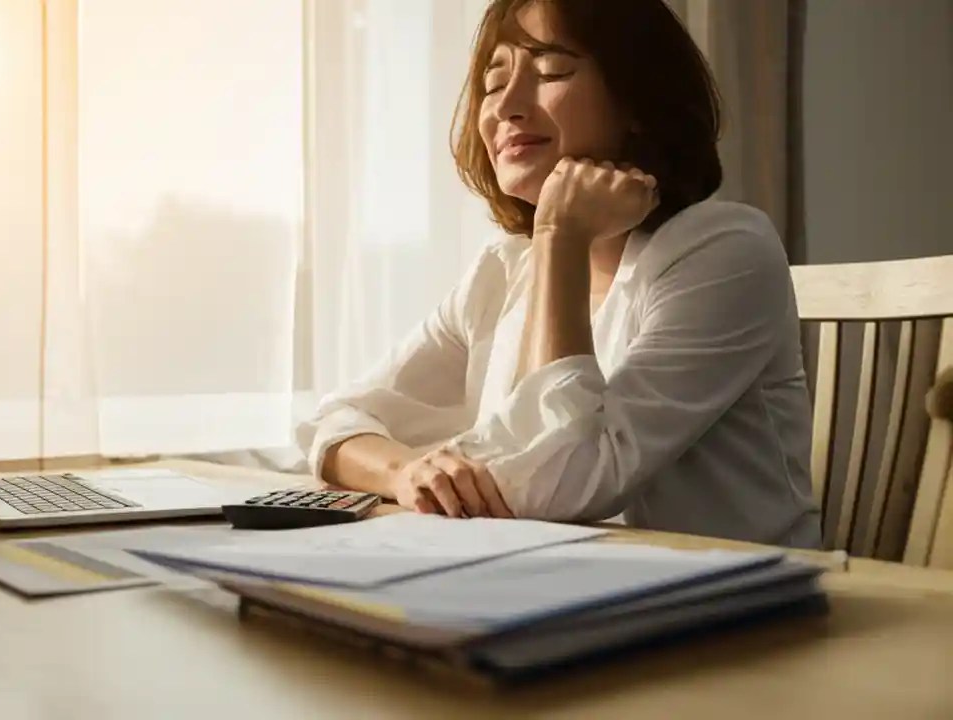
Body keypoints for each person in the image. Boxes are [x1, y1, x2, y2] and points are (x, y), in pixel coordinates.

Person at [295, 0, 821, 548]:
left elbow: (563, 486)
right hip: (562, 585)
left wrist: (559, 237)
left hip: (738, 602)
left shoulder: (724, 249)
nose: (507, 108)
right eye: (493, 84)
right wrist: (404, 473)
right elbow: (334, 423)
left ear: (637, 99)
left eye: (551, 72)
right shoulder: (500, 271)